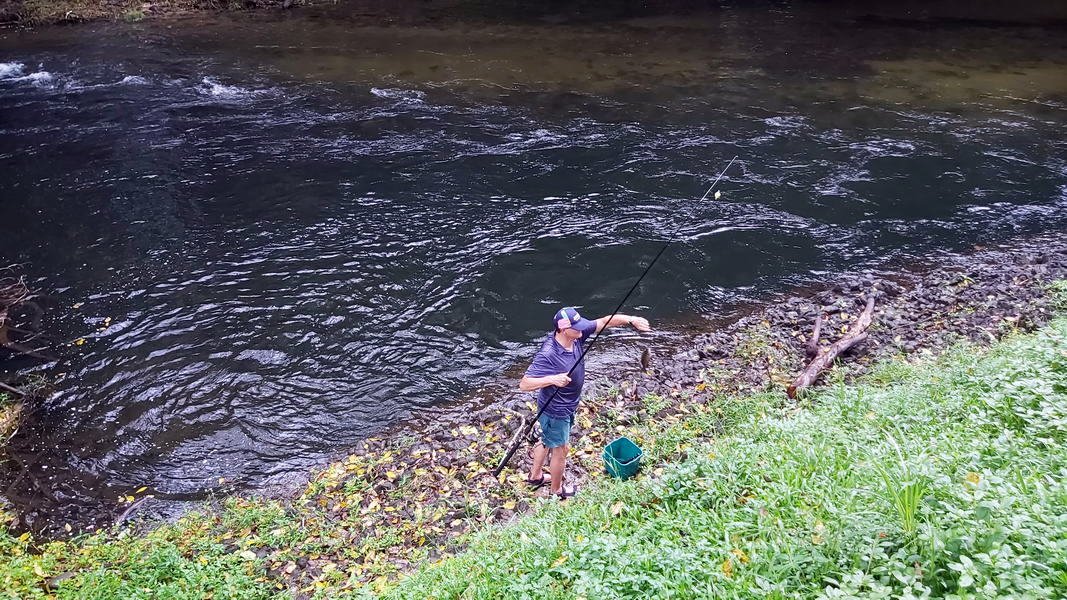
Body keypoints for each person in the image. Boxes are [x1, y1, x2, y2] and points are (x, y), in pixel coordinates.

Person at [520, 306, 651, 498]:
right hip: (556, 410)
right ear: (563, 329)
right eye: (577, 327)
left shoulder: (577, 335)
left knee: (546, 439)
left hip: (567, 405)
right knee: (561, 449)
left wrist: (632, 319)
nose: (582, 329)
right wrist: (553, 379)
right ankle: (556, 490)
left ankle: (535, 476)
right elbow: (524, 384)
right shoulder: (549, 353)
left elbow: (606, 320)